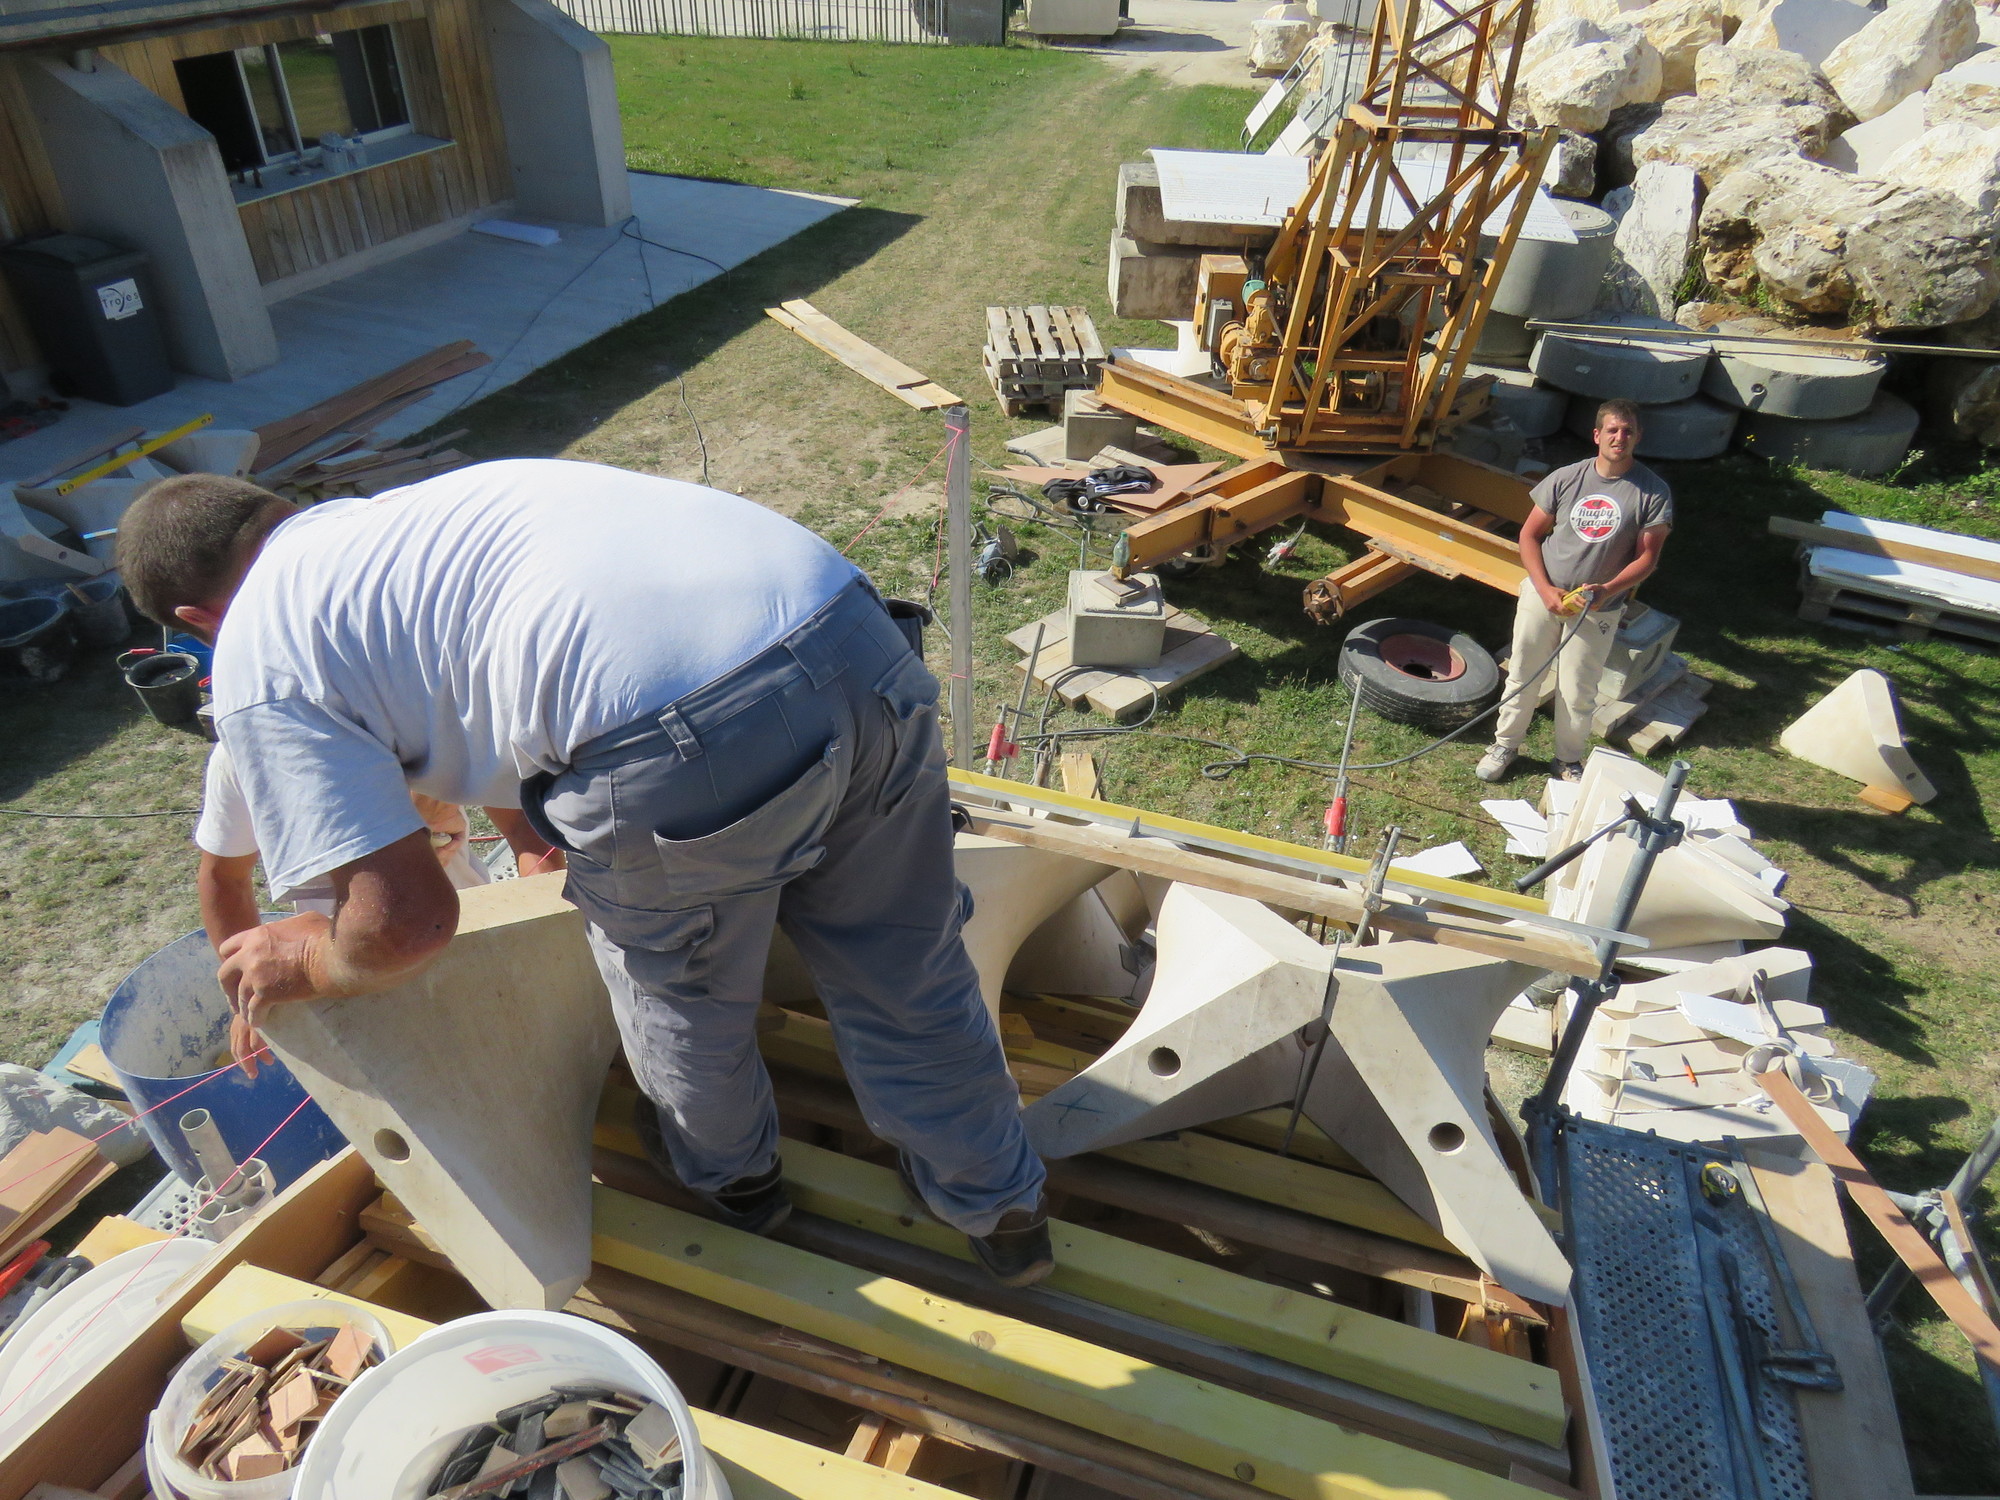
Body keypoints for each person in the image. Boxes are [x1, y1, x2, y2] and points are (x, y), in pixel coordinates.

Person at [117, 459, 1053, 1286]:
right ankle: (999, 1208)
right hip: (848, 628)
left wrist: (312, 961)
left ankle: (737, 1182)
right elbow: (488, 703)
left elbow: (404, 923)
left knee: (682, 990)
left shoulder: (257, 653)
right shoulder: (406, 528)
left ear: (198, 621)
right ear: (277, 511)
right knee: (905, 961)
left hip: (679, 726)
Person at [194, 741, 514, 1069]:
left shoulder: (416, 723)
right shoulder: (242, 752)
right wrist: (244, 996)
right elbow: (224, 878)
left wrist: (546, 890)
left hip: (471, 939)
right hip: (338, 971)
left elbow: (516, 814)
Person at [1476, 399, 1672, 785]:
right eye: (1612, 430)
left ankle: (1567, 760)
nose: (1620, 437)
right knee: (1523, 674)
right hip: (1543, 595)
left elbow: (1647, 559)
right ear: (1597, 435)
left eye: (1628, 431)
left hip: (1598, 607)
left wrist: (1607, 590)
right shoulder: (1567, 478)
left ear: (1638, 437)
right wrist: (1544, 588)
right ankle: (1504, 746)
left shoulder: (1653, 492)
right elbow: (1529, 536)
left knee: (1578, 689)